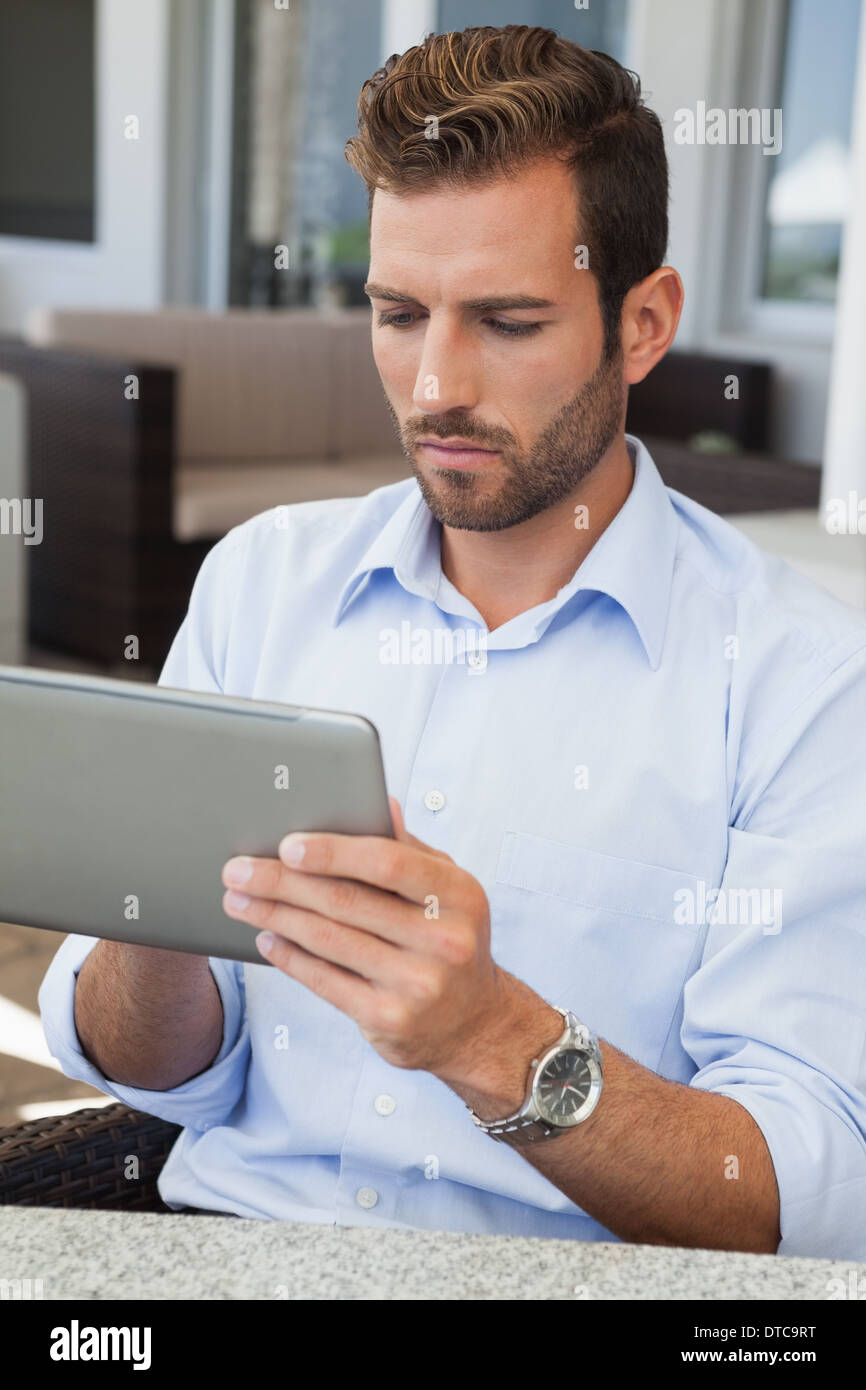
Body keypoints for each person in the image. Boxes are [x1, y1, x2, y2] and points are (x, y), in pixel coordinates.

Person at [40, 25, 866, 1258]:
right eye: (395, 312)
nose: (432, 387)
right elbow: (159, 1077)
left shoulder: (804, 681)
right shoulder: (266, 581)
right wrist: (150, 924)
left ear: (641, 324)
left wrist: (491, 1039)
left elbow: (806, 1201)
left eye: (507, 320)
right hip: (223, 1259)